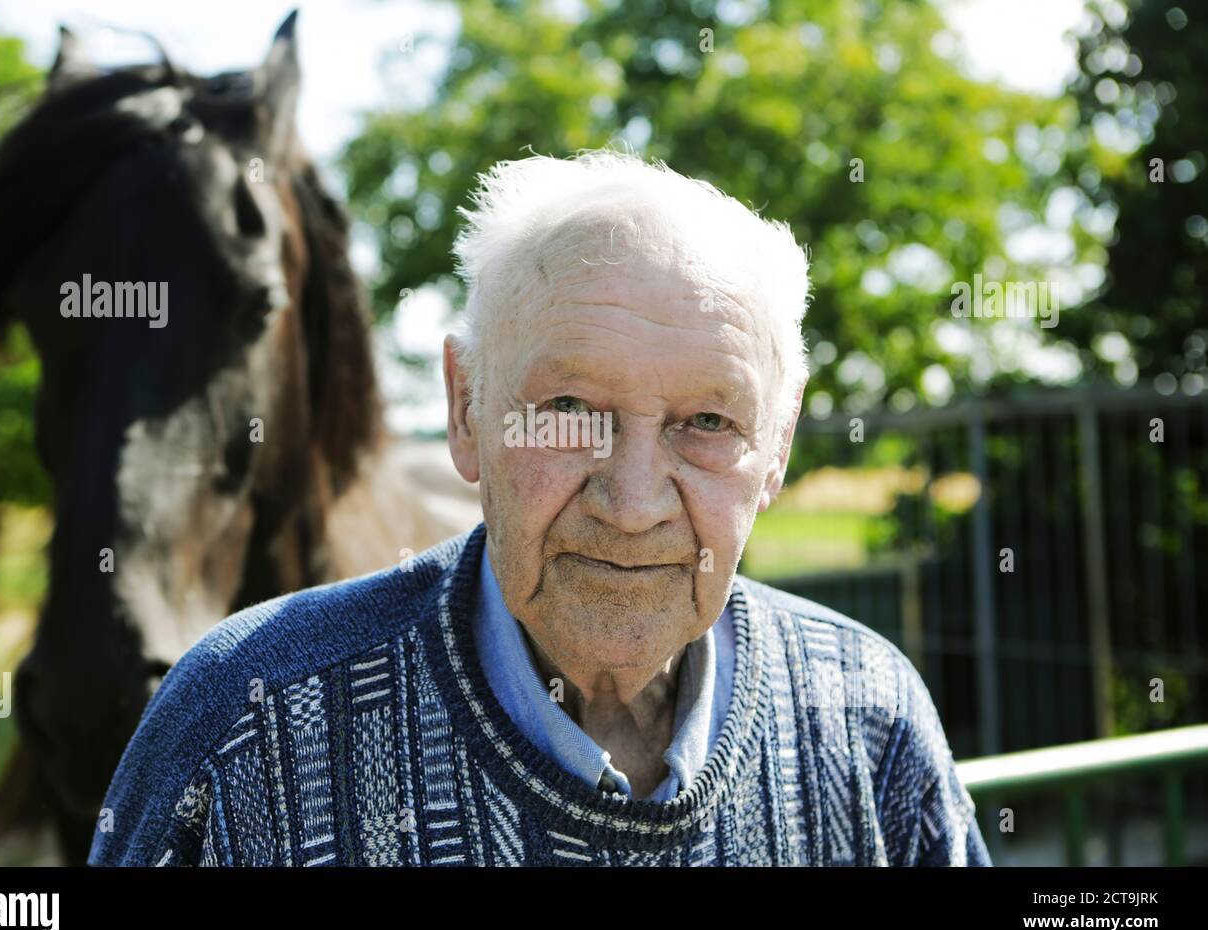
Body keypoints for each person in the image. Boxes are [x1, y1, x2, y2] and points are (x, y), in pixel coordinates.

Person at [89, 148, 991, 866]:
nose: (633, 504)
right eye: (569, 412)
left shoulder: (867, 716)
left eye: (708, 423)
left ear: (778, 450)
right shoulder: (248, 722)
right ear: (466, 408)